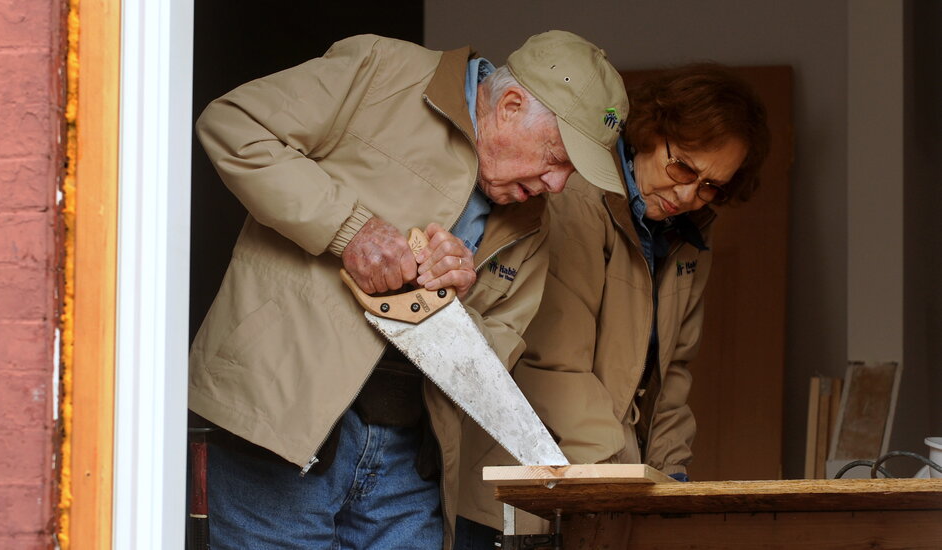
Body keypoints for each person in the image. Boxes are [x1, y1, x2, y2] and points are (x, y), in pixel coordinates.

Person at [188, 30, 628, 549]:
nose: (557, 185)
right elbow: (234, 124)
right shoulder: (384, 69)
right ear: (510, 105)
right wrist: (350, 228)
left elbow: (498, 347)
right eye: (555, 157)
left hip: (408, 462)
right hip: (281, 425)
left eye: (569, 172)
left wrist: (456, 303)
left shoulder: (534, 222)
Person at [454, 63, 770, 547]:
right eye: (682, 166)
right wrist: (628, 486)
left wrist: (671, 482)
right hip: (527, 488)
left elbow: (672, 373)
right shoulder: (573, 196)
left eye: (711, 186)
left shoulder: (689, 233)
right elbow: (553, 367)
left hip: (602, 486)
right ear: (650, 130)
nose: (689, 195)